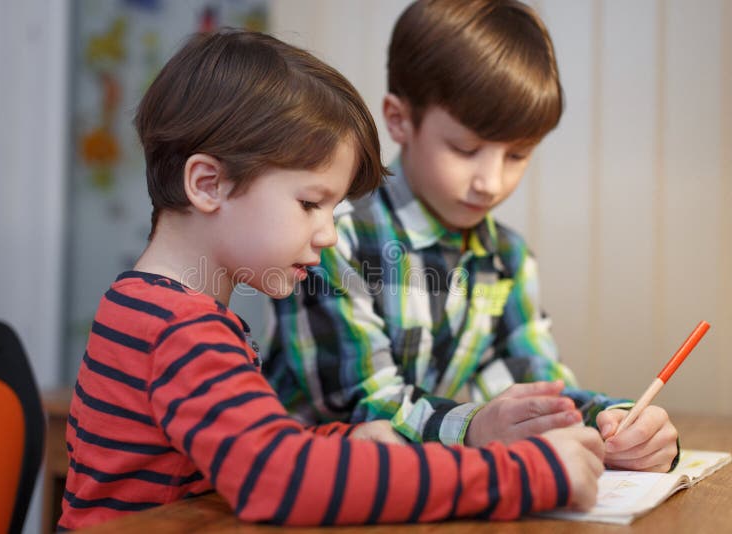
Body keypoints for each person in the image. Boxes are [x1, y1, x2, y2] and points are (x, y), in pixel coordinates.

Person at [58, 29, 606, 530]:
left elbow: (245, 452)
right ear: (208, 184)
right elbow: (278, 480)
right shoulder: (180, 329)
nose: (326, 233)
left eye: (334, 207)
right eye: (310, 203)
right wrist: (524, 473)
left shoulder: (154, 308)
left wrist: (342, 440)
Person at [265, 0, 678, 473]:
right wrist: (477, 427)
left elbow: (536, 389)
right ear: (399, 120)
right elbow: (362, 408)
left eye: (517, 156)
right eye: (466, 149)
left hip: (407, 495)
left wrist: (615, 422)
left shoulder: (507, 258)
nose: (491, 181)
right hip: (299, 487)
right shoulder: (332, 237)